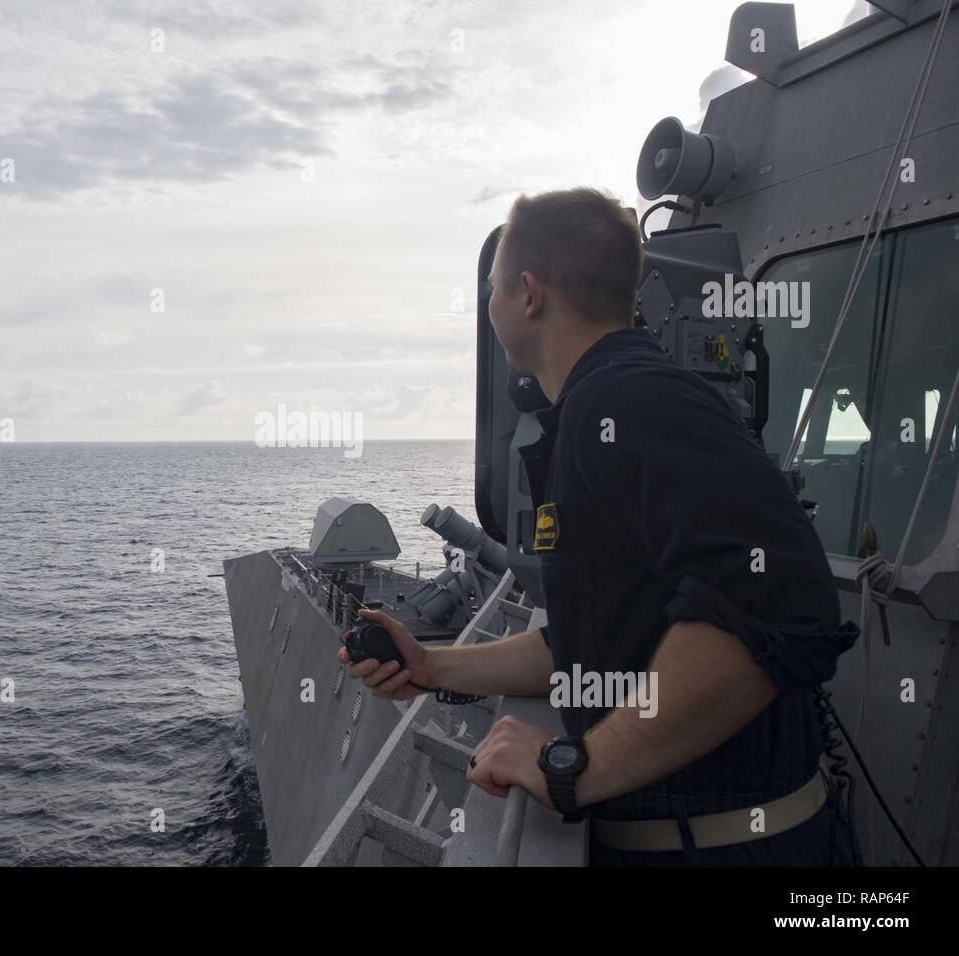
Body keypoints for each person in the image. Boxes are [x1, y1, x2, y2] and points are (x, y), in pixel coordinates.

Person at [339, 187, 861, 865]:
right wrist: (433, 664)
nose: (489, 304)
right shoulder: (603, 406)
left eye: (492, 287)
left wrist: (572, 767)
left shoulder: (628, 400)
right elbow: (592, 643)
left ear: (527, 293)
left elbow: (779, 600)